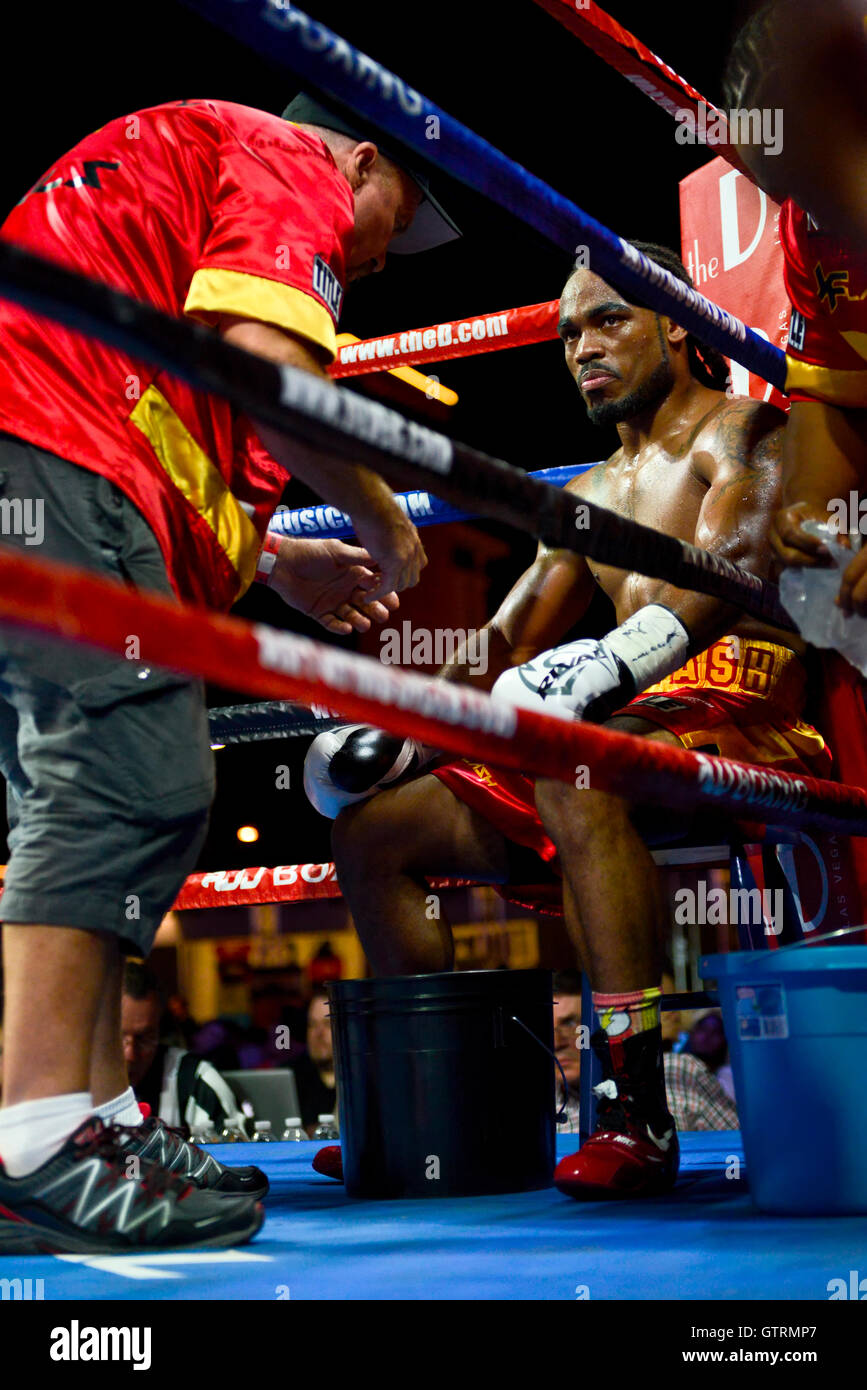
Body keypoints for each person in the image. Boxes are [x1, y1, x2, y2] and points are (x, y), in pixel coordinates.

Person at [0, 91, 458, 1253]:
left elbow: (182, 416)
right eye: (392, 224)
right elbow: (265, 371)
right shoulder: (284, 152)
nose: (381, 260)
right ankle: (35, 1139)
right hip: (48, 444)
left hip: (54, 450)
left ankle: (96, 1121)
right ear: (360, 160)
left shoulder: (184, 195)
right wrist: (389, 523)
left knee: (132, 785)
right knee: (120, 775)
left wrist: (284, 558)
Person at [307, 243, 830, 1198]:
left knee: (572, 768)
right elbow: (501, 642)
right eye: (566, 334)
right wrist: (402, 727)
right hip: (622, 726)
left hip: (746, 707)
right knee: (374, 829)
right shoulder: (582, 497)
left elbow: (741, 562)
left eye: (607, 320)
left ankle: (637, 1114)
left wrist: (613, 661)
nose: (582, 348)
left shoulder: (740, 430)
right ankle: (437, 1112)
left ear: (676, 322)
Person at [723, 4, 867, 616]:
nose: (816, 207)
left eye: (822, 176)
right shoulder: (806, 223)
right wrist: (808, 508)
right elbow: (829, 385)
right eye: (795, 188)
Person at [122, 962, 266, 1194]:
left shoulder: (197, 1079)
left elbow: (238, 1167)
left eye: (144, 1038)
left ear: (162, 1030)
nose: (130, 1054)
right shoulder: (74, 1086)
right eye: (119, 1037)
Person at [291, 989, 338, 1134]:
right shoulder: (291, 1075)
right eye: (312, 1024)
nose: (318, 1033)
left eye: (327, 1024)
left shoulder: (360, 1079)